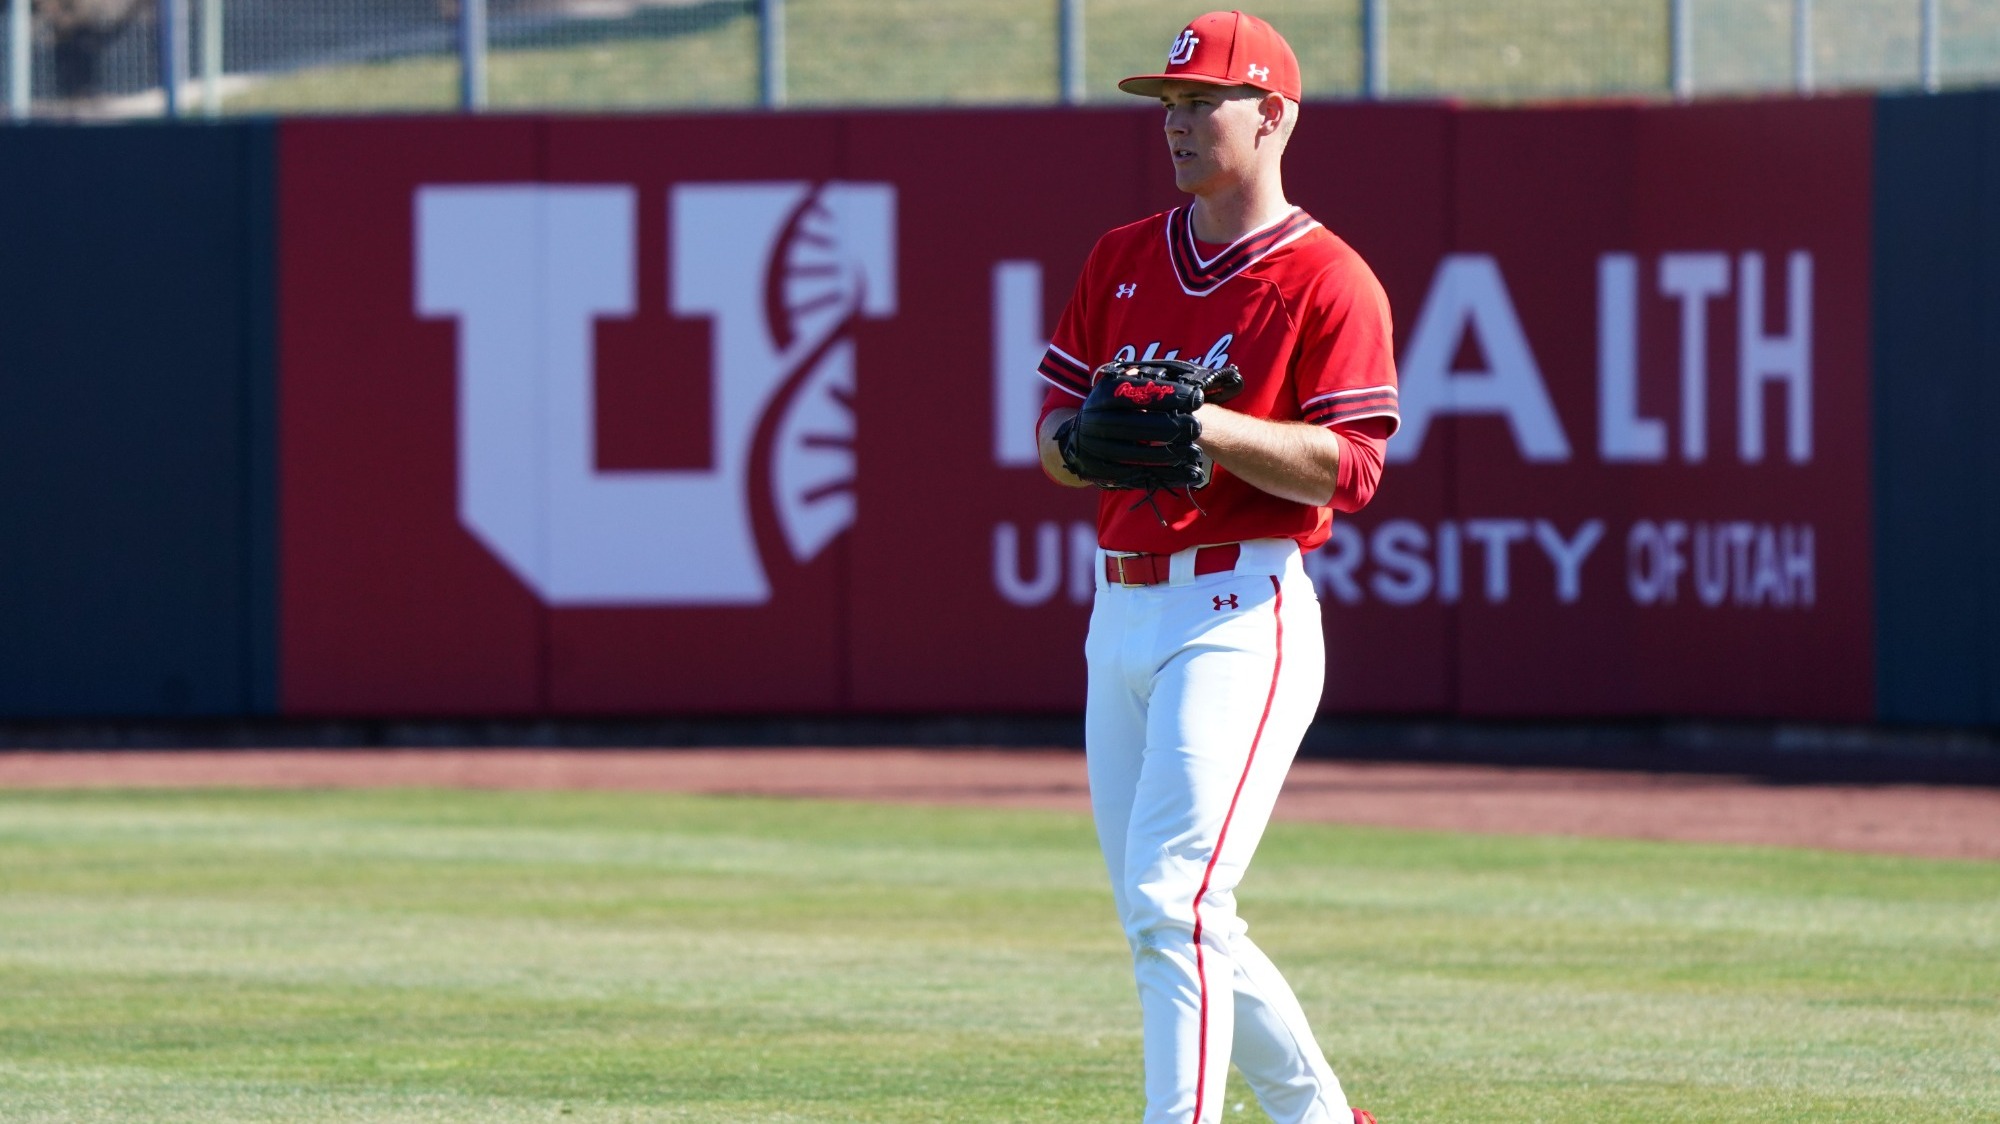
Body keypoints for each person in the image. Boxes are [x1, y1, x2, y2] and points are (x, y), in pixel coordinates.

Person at [1033, 11, 1399, 1124]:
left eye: (1202, 103)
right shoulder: (1121, 256)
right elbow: (1052, 435)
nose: (1177, 125)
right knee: (1177, 913)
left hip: (1241, 607)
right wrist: (1078, 445)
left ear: (1272, 115)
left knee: (1169, 899)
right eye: (1168, 105)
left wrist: (1214, 428)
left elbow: (1352, 467)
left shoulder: (1328, 279)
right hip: (1119, 610)